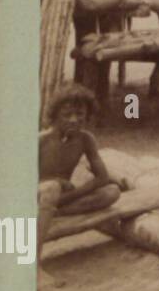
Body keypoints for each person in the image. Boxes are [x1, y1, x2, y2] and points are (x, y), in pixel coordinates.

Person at [37, 83, 122, 244]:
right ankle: (49, 209)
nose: (74, 120)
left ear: (88, 115)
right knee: (51, 188)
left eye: (80, 114)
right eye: (67, 115)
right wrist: (55, 182)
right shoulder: (41, 140)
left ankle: (54, 211)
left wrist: (70, 196)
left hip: (64, 199)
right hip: (39, 194)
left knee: (112, 192)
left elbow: (102, 177)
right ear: (54, 116)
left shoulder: (86, 139)